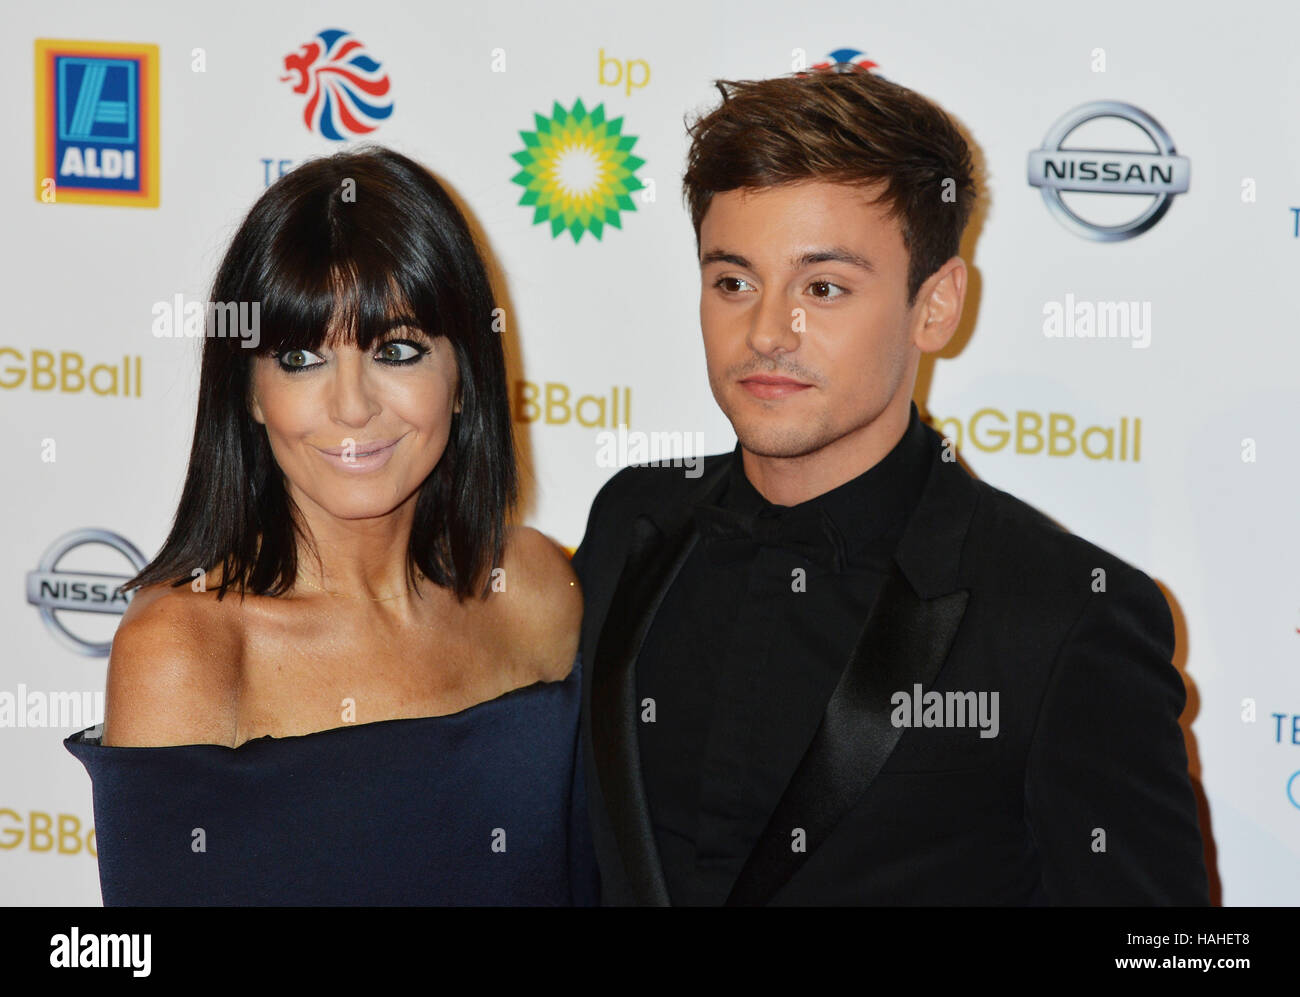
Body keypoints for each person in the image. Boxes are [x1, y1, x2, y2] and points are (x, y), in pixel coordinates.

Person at [571, 69, 1209, 905]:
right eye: (734, 282)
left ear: (936, 305)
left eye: (823, 288)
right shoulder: (631, 522)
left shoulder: (1063, 616)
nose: (766, 331)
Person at [64, 146, 599, 906]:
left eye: (399, 350)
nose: (352, 407)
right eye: (302, 357)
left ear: (464, 376)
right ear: (248, 392)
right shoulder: (189, 650)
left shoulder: (538, 587)